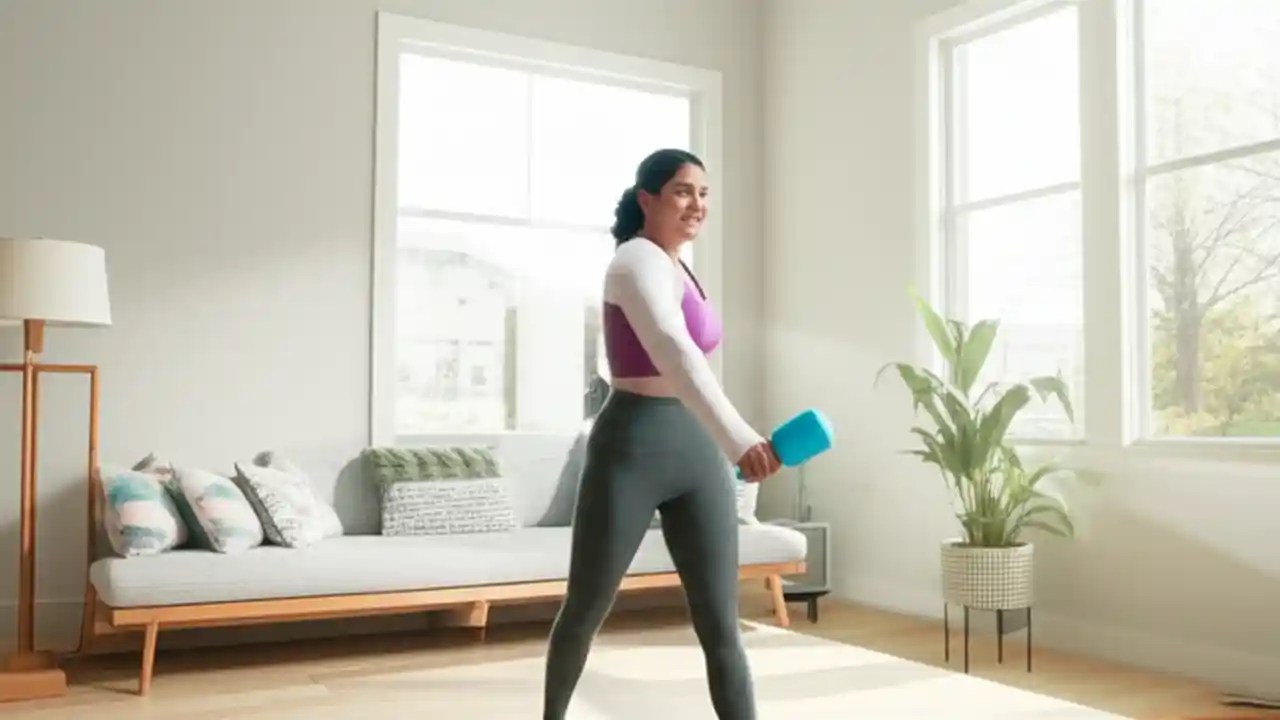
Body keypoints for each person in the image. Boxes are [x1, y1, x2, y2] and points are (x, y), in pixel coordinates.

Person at [542, 148, 781, 720]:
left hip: (694, 449)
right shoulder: (633, 261)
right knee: (587, 606)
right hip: (632, 447)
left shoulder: (682, 266)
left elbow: (698, 368)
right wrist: (739, 438)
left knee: (722, 620)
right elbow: (675, 352)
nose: (696, 203)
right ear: (647, 199)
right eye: (681, 191)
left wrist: (723, 440)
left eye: (702, 192)